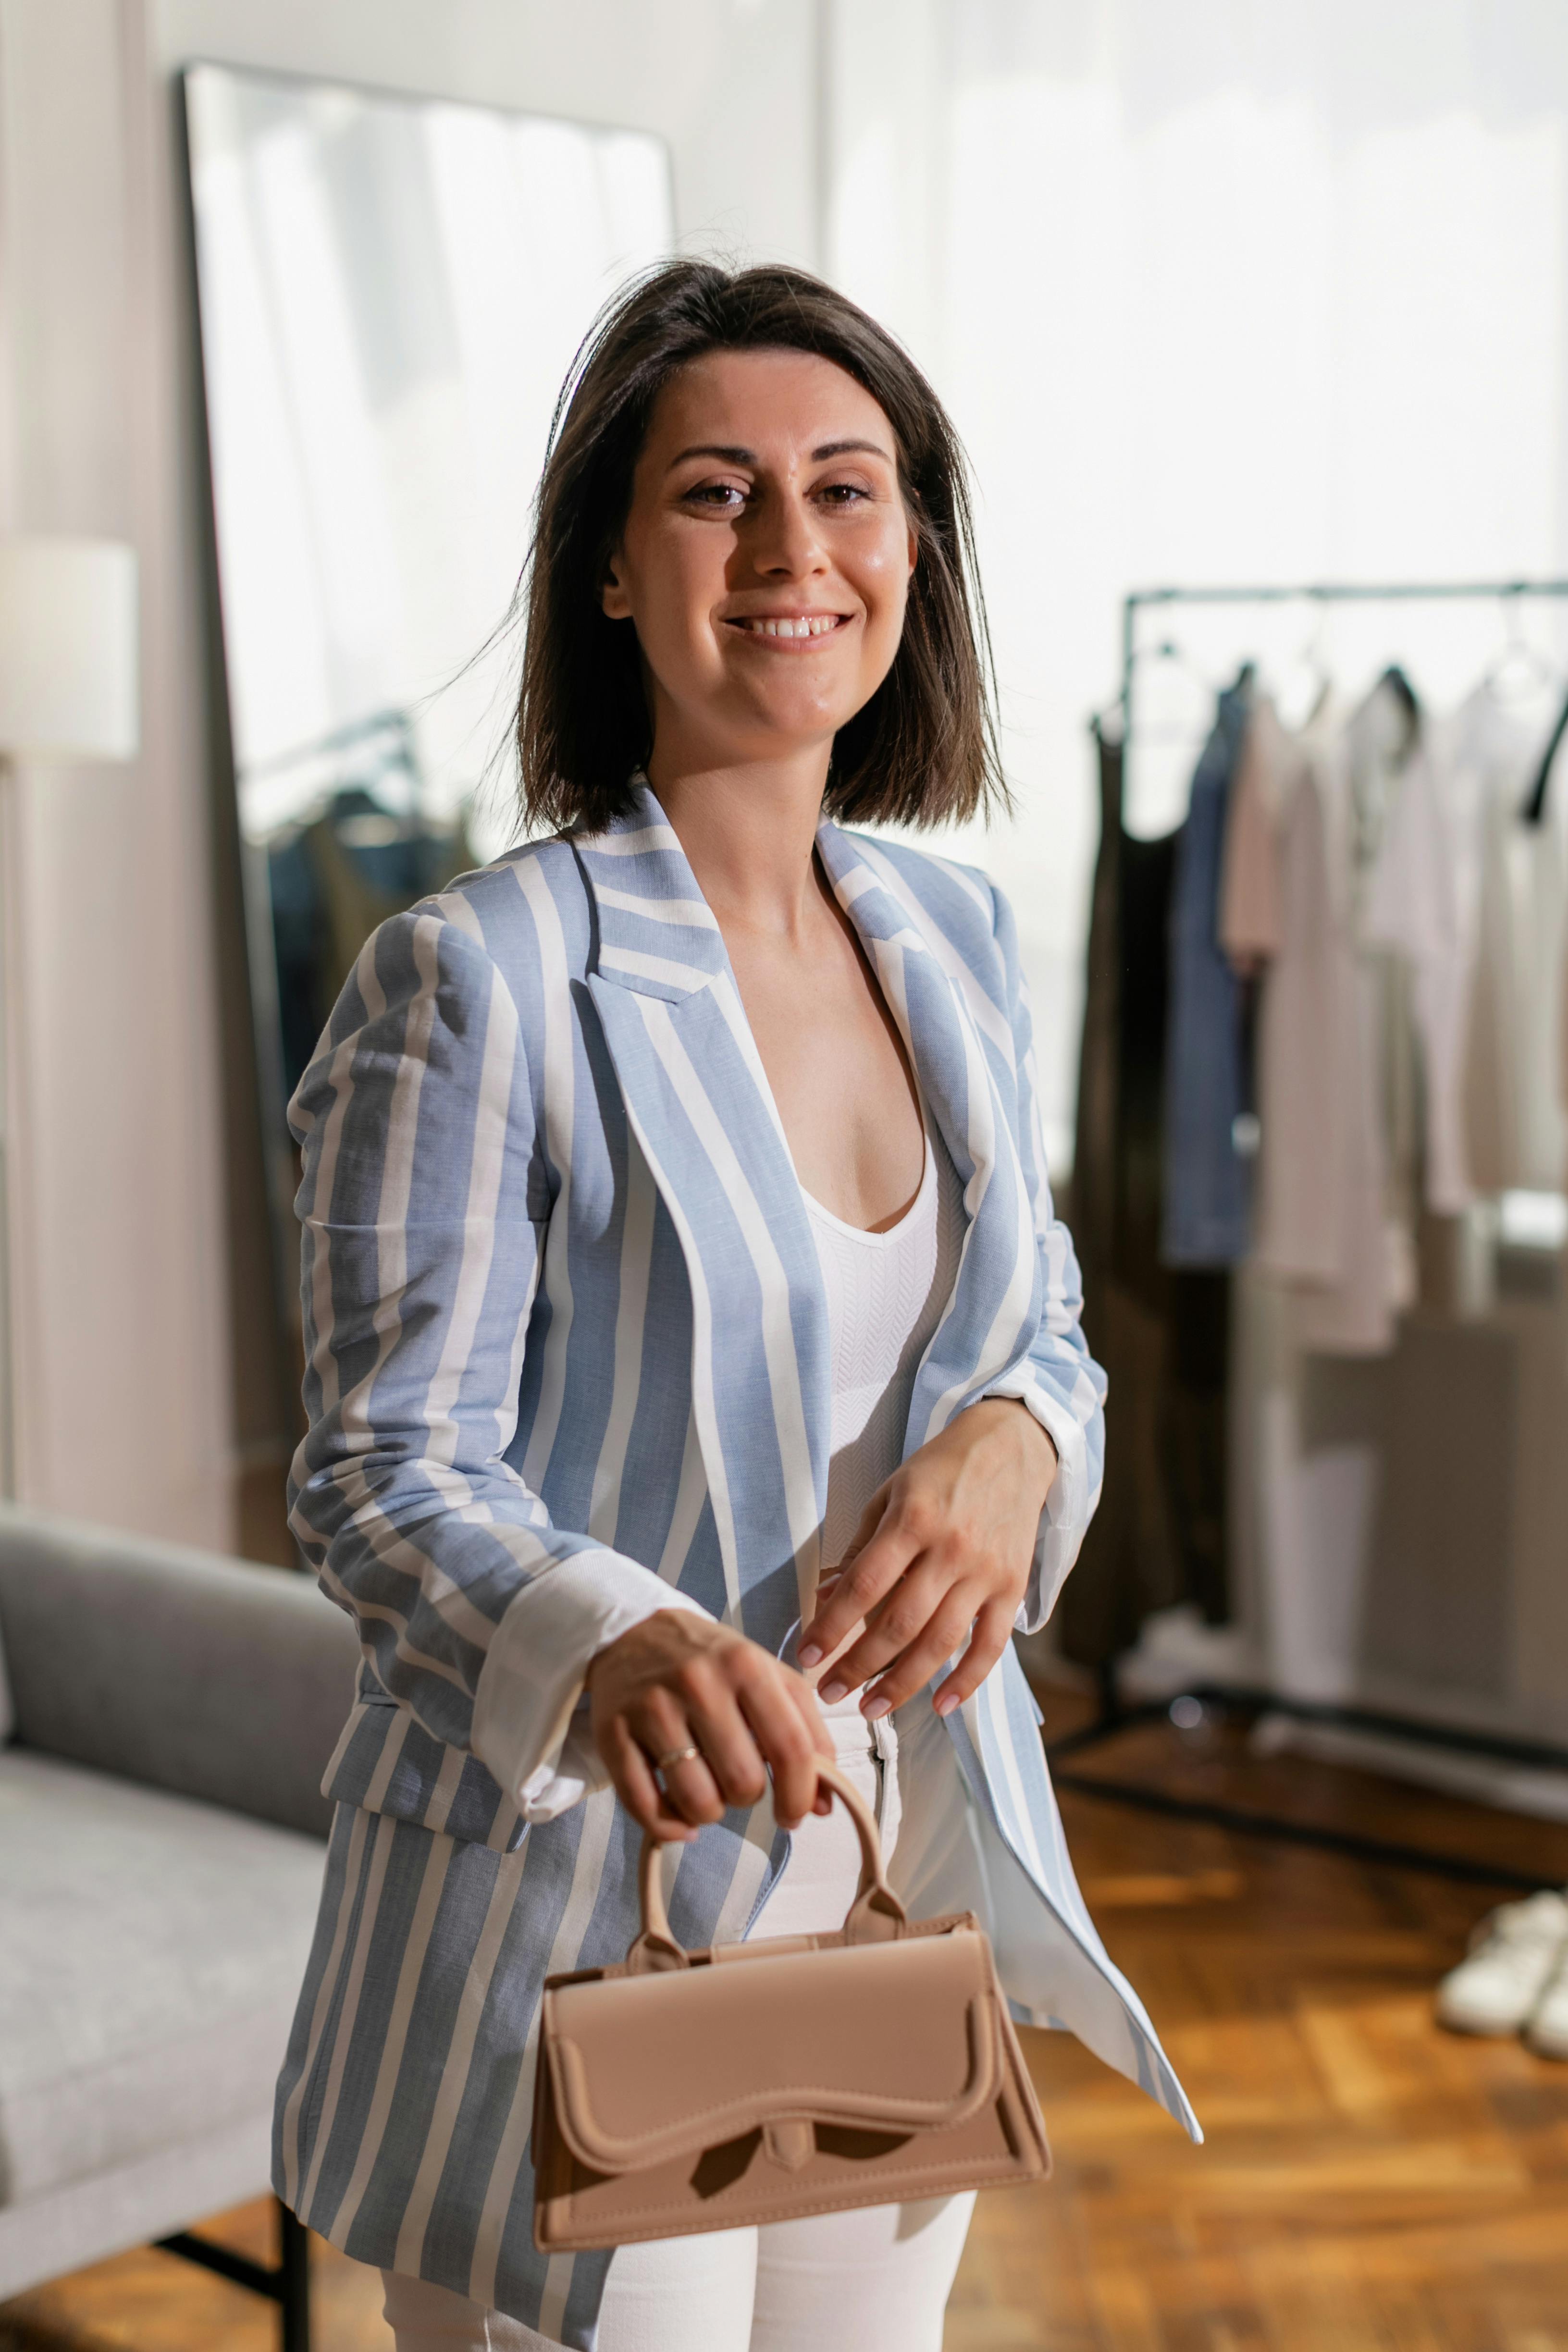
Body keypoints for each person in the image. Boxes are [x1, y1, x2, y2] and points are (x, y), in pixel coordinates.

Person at [273, 259, 1194, 2352]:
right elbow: (377, 1476)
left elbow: (1035, 1327)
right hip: (575, 1924)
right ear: (610, 566)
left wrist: (1017, 1442)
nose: (794, 550)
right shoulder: (478, 977)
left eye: (848, 489)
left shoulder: (951, 935)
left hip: (884, 1886)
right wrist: (614, 1641)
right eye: (716, 495)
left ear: (914, 553)